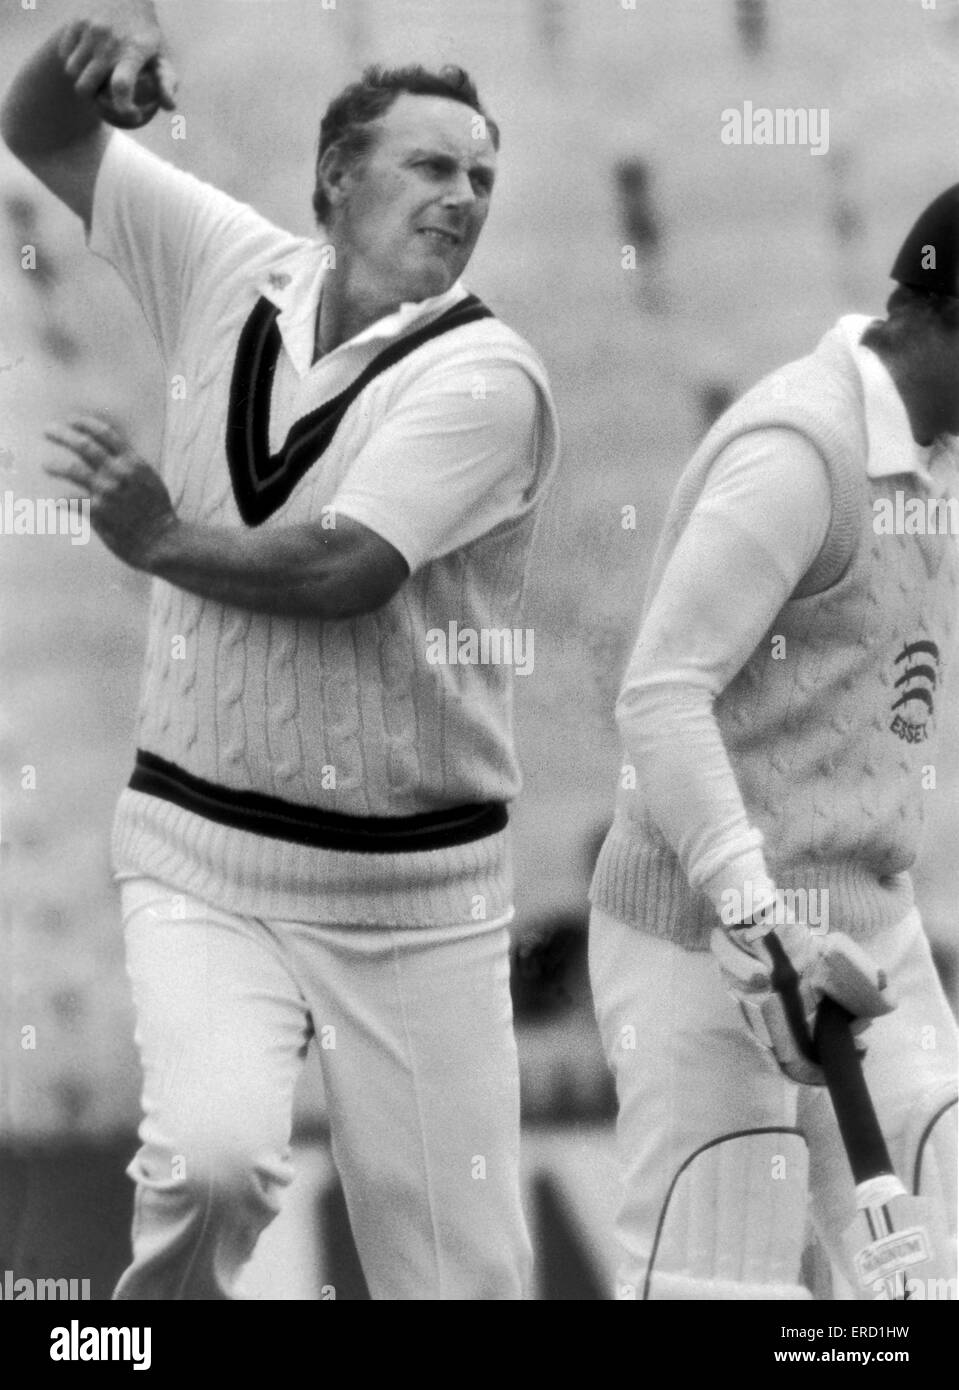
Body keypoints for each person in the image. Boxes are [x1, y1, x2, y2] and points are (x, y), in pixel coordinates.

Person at [2, 2, 559, 1300]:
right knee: (209, 1167)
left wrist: (157, 539)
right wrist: (86, 55)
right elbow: (32, 126)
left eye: (481, 175)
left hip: (414, 895)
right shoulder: (220, 257)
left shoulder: (488, 377)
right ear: (334, 180)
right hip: (208, 853)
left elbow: (344, 569)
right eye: (430, 165)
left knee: (461, 1281)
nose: (463, 195)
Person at [588, 185, 959, 1299]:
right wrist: (756, 918)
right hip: (706, 942)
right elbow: (658, 694)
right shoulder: (799, 450)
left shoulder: (932, 454)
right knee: (721, 1290)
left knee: (932, 1277)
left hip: (867, 944)